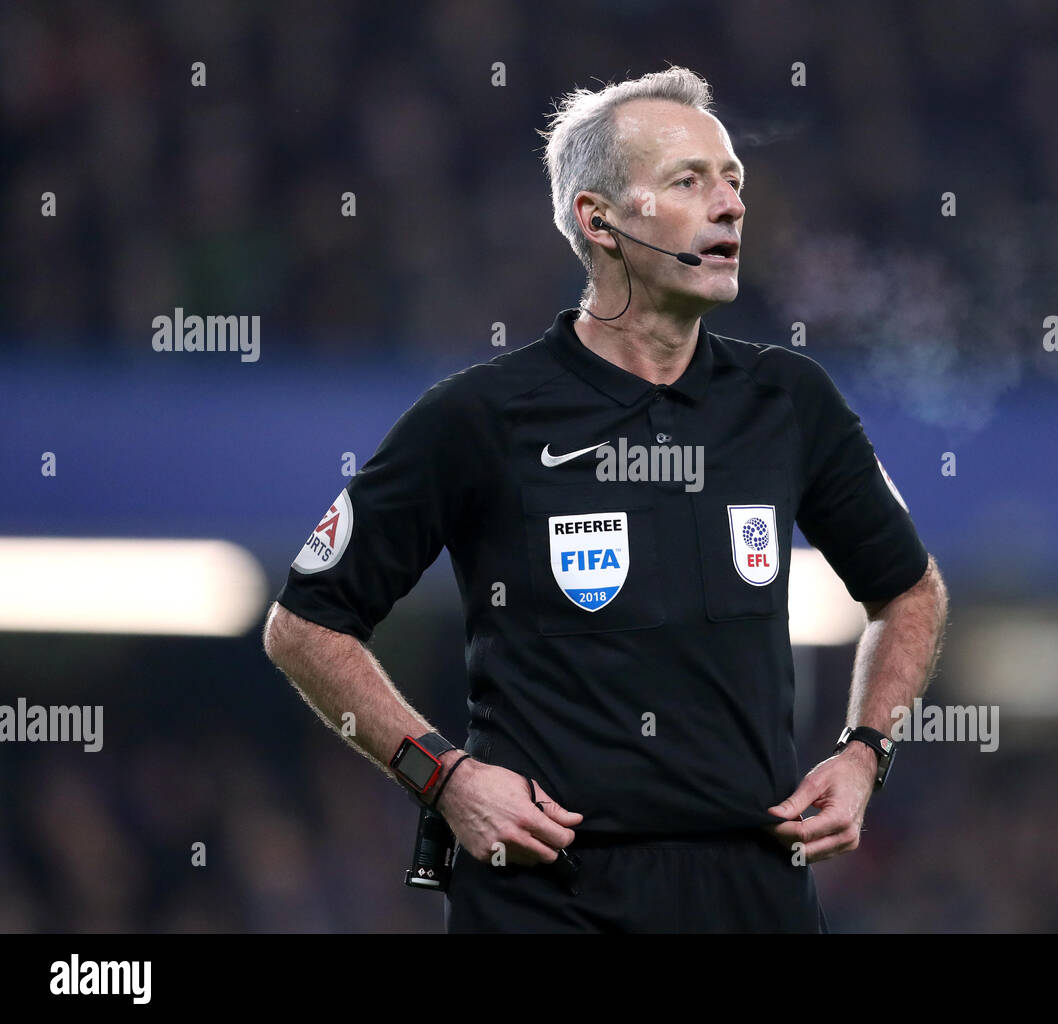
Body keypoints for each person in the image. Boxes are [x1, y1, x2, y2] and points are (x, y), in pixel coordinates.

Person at [263, 65, 948, 933]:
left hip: (754, 890)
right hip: (547, 898)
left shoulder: (788, 403)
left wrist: (864, 753)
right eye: (689, 182)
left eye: (733, 180)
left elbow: (909, 590)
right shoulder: (481, 418)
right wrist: (443, 776)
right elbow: (305, 624)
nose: (731, 205)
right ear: (600, 221)